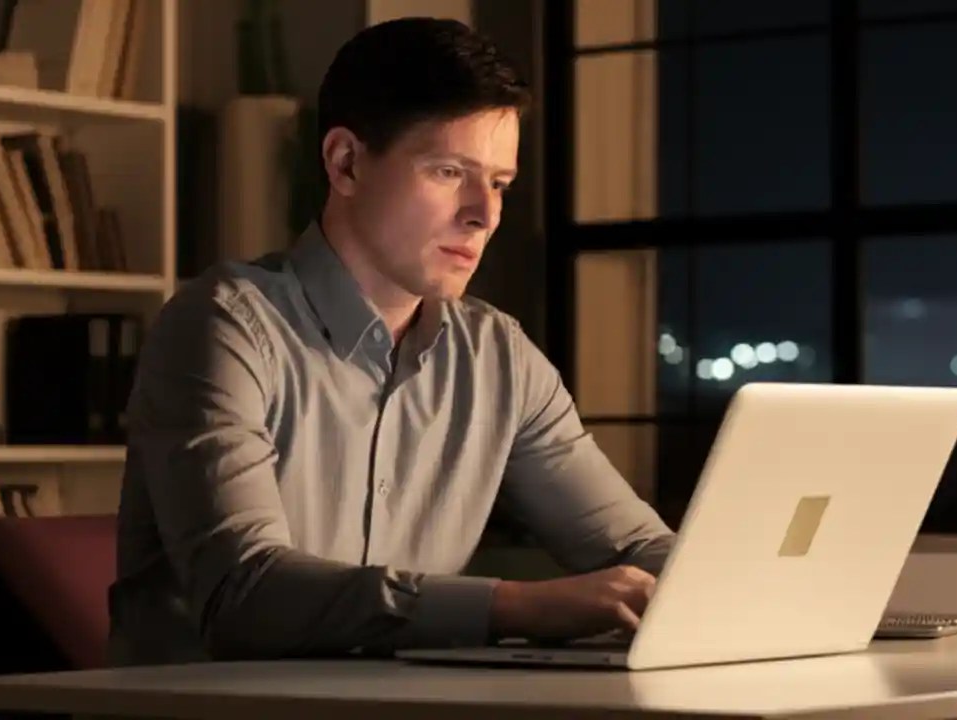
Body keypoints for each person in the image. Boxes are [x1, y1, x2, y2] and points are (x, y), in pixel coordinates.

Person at [106, 16, 675, 665]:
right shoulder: (222, 326)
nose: (483, 215)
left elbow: (633, 546)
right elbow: (243, 592)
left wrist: (738, 588)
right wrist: (514, 605)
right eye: (447, 172)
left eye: (498, 183)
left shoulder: (497, 357)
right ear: (345, 163)